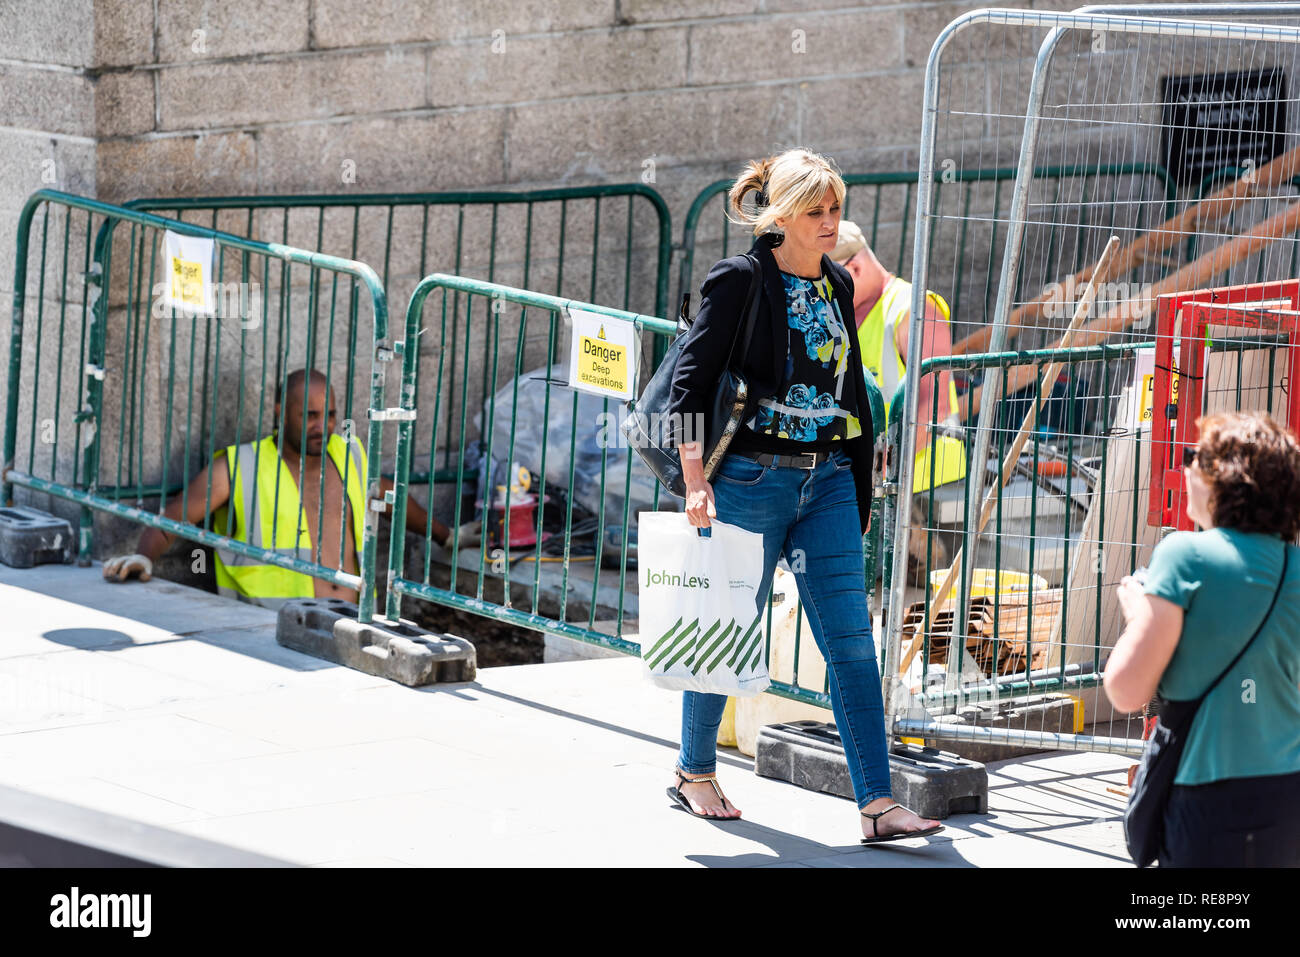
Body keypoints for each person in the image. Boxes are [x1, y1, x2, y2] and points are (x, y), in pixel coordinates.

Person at [663, 148, 944, 843]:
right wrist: (695, 481)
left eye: (836, 209)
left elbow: (846, 383)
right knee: (727, 625)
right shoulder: (739, 281)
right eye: (817, 211)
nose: (831, 222)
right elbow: (689, 386)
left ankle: (877, 804)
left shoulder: (837, 284)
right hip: (752, 479)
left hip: (828, 487)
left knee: (851, 637)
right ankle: (694, 770)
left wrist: (860, 458)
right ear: (781, 215)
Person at [1104, 411, 1300, 867]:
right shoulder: (1294, 567)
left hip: (1206, 798)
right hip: (1287, 793)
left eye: (1195, 456)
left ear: (1223, 478)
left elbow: (1126, 690)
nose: (1186, 466)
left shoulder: (1183, 554)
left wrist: (1138, 617)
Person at [102, 368, 468, 608]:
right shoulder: (240, 465)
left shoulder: (348, 454)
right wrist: (144, 557)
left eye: (328, 415)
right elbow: (174, 518)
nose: (321, 426)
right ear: (280, 412)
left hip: (356, 618)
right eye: (308, 415)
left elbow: (388, 497)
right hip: (270, 624)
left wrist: (446, 536)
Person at [831, 219, 965, 494]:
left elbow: (932, 404)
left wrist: (880, 469)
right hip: (882, 487)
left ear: (853, 268)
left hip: (929, 484)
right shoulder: (844, 315)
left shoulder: (914, 308)